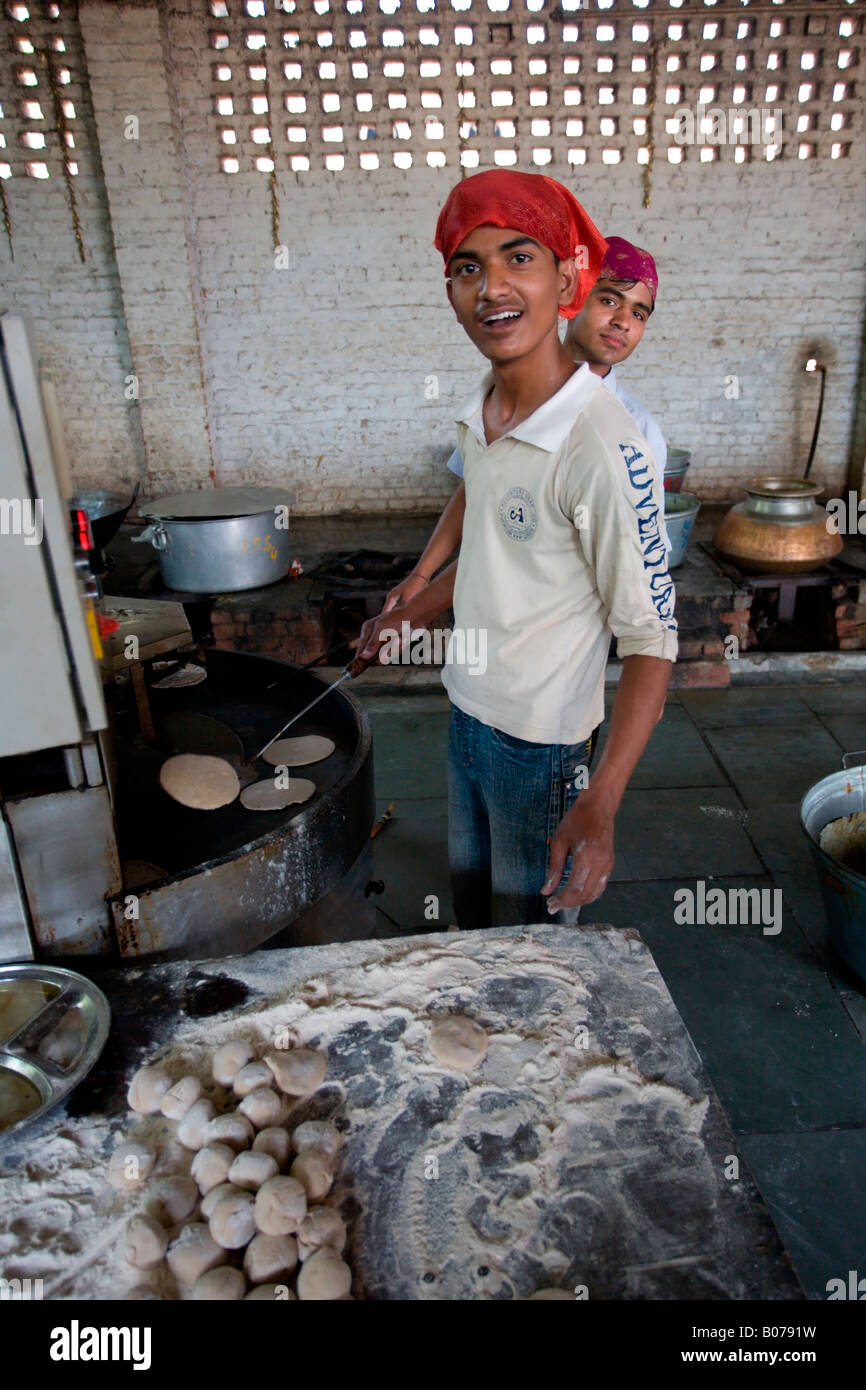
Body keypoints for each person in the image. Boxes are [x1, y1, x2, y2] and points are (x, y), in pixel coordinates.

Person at [355, 170, 677, 929]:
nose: (492, 287)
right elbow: (498, 550)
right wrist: (414, 609)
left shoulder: (604, 446)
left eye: (518, 259)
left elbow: (653, 640)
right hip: (467, 709)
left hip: (540, 744)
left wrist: (600, 800)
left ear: (567, 278)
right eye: (469, 267)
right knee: (476, 919)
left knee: (532, 949)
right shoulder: (487, 407)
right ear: (450, 291)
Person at [385, 235, 668, 624]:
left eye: (639, 313)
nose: (623, 321)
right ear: (570, 295)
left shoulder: (636, 432)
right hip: (487, 606)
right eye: (608, 300)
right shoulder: (503, 391)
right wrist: (421, 574)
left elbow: (640, 562)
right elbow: (474, 489)